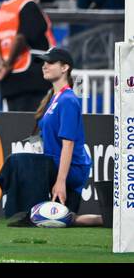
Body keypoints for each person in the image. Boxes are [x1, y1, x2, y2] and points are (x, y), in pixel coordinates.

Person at [31, 47, 101, 226]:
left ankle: (24, 213)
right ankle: (107, 219)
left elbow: (68, 144)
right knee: (65, 220)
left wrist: (60, 181)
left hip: (70, 170)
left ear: (65, 68)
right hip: (56, 165)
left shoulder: (68, 100)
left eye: (50, 62)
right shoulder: (54, 98)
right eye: (44, 63)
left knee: (19, 164)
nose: (44, 66)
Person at [0, 0, 55, 112]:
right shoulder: (29, 4)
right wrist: (8, 64)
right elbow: (21, 37)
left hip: (11, 82)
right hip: (32, 79)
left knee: (16, 128)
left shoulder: (4, 7)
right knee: (35, 129)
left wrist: (2, 64)